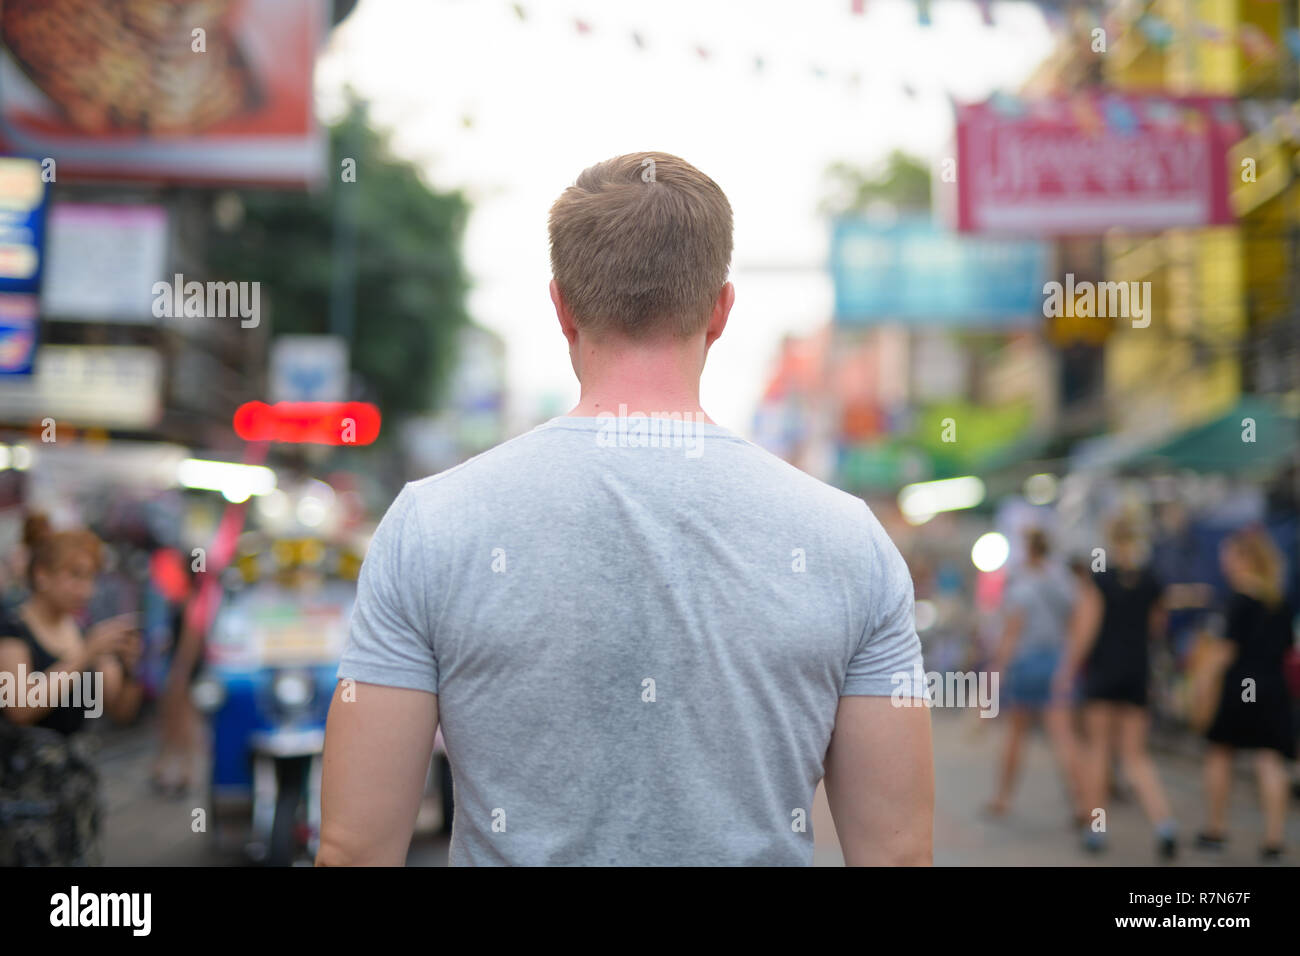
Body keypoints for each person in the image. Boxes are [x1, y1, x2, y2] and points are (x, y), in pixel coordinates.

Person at [318, 152, 934, 866]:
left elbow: (355, 851)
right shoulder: (847, 541)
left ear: (561, 306)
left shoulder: (432, 525)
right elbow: (895, 857)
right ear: (722, 309)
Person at [0, 514, 143, 865]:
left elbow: (120, 709)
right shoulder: (13, 629)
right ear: (42, 576)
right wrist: (85, 654)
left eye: (90, 577)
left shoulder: (84, 634)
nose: (86, 589)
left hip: (75, 799)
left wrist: (133, 667)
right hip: (23, 800)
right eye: (75, 576)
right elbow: (19, 708)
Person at [1057, 516, 1178, 858]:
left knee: (1098, 751)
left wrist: (1066, 670)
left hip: (1104, 672)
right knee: (1136, 756)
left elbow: (1086, 628)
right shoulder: (1152, 580)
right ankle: (1164, 823)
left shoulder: (1101, 579)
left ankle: (1096, 830)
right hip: (1138, 672)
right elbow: (1157, 627)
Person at [1198, 527, 1295, 861]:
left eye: (1229, 554)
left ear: (1244, 558)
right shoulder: (1278, 602)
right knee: (1269, 759)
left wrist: (1200, 686)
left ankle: (1216, 829)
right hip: (1272, 687)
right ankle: (1273, 839)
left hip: (1242, 686)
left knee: (1220, 752)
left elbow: (1225, 651)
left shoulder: (1238, 600)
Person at [986, 529, 1085, 824]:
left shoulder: (1022, 584)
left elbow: (1012, 631)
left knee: (1016, 734)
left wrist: (997, 670)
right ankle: (1082, 804)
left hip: (1027, 663)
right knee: (1063, 736)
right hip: (1056, 661)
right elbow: (1076, 620)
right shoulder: (1062, 582)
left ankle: (1002, 798)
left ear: (1027, 548)